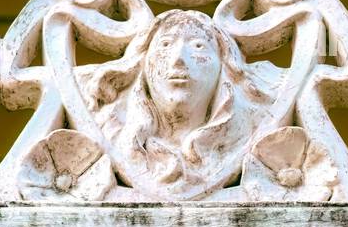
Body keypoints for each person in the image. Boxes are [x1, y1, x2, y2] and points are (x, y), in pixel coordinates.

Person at [81, 10, 276, 189]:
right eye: (165, 44)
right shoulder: (107, 129)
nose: (178, 59)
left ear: (224, 66)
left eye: (198, 46)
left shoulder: (254, 132)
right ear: (142, 62)